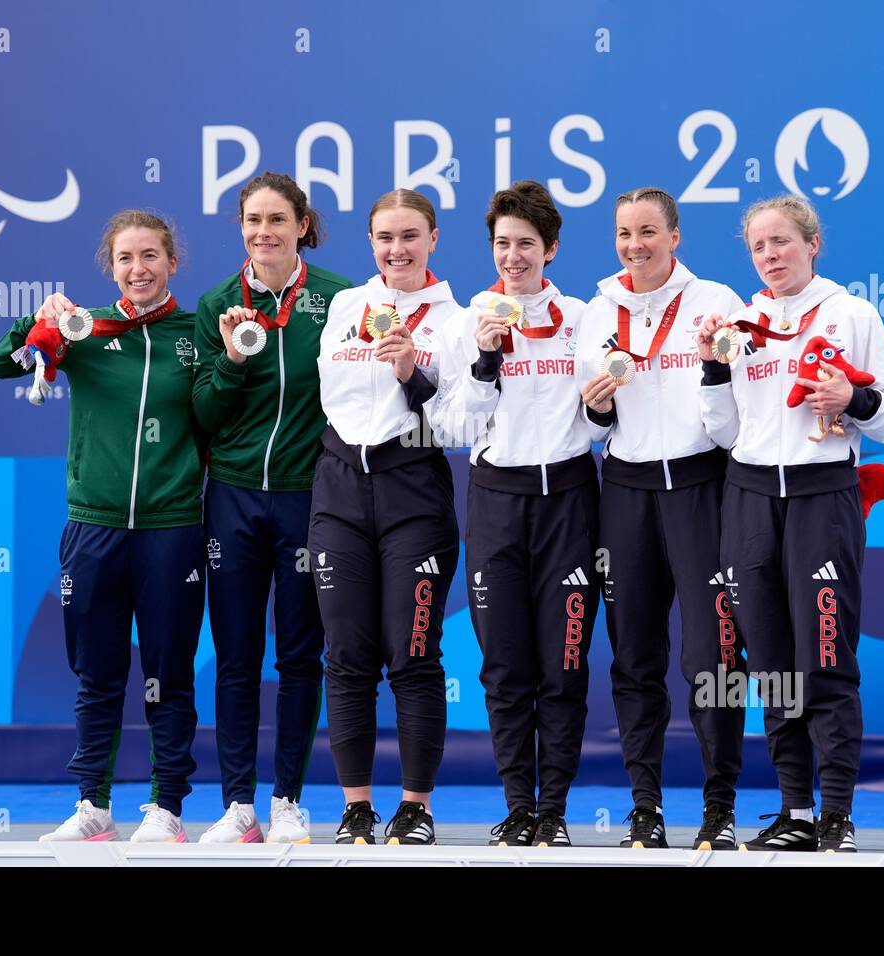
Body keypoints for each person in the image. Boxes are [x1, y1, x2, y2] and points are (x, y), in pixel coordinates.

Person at [697, 194, 884, 852]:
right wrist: (713, 368)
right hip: (751, 496)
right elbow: (726, 429)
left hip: (824, 495)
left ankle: (838, 815)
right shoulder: (738, 322)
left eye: (783, 243)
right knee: (771, 664)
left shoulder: (852, 314)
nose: (771, 257)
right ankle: (794, 811)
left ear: (812, 243)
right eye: (759, 247)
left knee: (825, 659)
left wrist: (856, 397)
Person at [0, 209, 204, 843]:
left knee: (170, 671)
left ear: (172, 262)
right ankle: (93, 805)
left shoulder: (195, 335)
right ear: (111, 267)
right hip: (94, 528)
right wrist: (37, 321)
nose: (139, 269)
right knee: (98, 673)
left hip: (173, 528)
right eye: (126, 258)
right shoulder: (82, 331)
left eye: (151, 257)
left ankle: (167, 807)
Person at [576, 188, 747, 850]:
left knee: (714, 657)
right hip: (625, 492)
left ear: (676, 236)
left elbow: (741, 396)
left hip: (702, 488)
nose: (635, 245)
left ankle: (720, 807)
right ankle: (644, 809)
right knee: (634, 658)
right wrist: (595, 409)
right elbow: (591, 424)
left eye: (648, 231)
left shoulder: (717, 302)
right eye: (624, 233)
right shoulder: (597, 313)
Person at [191, 172, 353, 845]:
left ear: (301, 224)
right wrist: (229, 360)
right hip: (230, 496)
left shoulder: (338, 298)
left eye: (277, 220)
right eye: (253, 221)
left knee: (299, 655)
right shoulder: (218, 304)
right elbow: (202, 414)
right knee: (234, 656)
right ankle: (237, 805)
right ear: (241, 228)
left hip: (304, 497)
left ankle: (287, 798)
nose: (265, 233)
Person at [434, 181, 597, 847]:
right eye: (503, 244)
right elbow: (446, 424)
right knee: (504, 665)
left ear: (551, 249)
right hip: (495, 498)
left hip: (569, 499)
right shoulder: (466, 320)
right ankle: (517, 808)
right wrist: (483, 362)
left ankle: (552, 812)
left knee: (564, 664)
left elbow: (603, 414)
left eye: (526, 244)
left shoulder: (586, 318)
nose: (513, 256)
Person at [309, 188, 462, 846]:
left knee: (414, 654)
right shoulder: (346, 305)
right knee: (346, 656)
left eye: (410, 236)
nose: (396, 250)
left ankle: (417, 807)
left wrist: (410, 372)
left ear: (433, 239)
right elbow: (331, 399)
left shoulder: (456, 318)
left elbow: (460, 420)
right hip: (340, 491)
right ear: (370, 243)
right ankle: (356, 809)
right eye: (384, 238)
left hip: (413, 493)